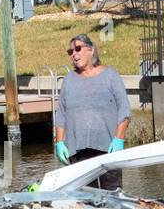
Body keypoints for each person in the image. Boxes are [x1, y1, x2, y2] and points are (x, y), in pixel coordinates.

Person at [53, 33, 131, 191]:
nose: (74, 54)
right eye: (71, 52)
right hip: (77, 153)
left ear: (91, 49)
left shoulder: (111, 75)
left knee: (112, 195)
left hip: (107, 150)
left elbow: (125, 109)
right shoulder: (69, 80)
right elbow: (61, 114)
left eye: (78, 49)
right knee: (82, 199)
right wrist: (59, 143)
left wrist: (119, 139)